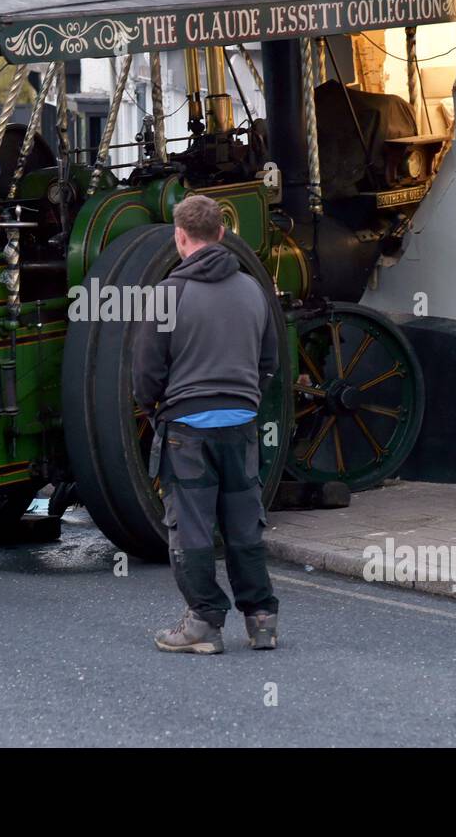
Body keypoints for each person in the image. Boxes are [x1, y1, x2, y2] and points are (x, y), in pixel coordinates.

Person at [133, 194, 280, 654]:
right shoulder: (253, 290)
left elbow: (145, 374)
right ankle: (261, 621)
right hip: (241, 425)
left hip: (186, 430)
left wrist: (155, 406)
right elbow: (270, 361)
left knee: (192, 531)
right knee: (244, 526)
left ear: (180, 236)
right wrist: (245, 397)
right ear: (221, 233)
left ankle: (203, 623)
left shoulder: (168, 295)